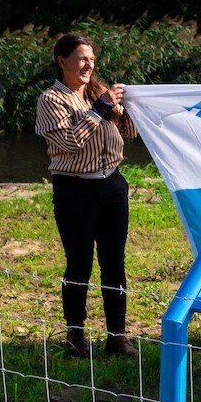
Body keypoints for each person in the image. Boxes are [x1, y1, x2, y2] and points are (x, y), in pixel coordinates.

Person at [35, 33, 140, 358]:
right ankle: (75, 334)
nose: (88, 64)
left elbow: (130, 134)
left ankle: (117, 336)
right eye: (81, 58)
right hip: (74, 189)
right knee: (79, 263)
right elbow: (69, 142)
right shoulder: (51, 100)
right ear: (62, 60)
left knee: (114, 262)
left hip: (112, 186)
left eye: (91, 59)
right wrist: (99, 108)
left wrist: (123, 110)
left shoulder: (98, 93)